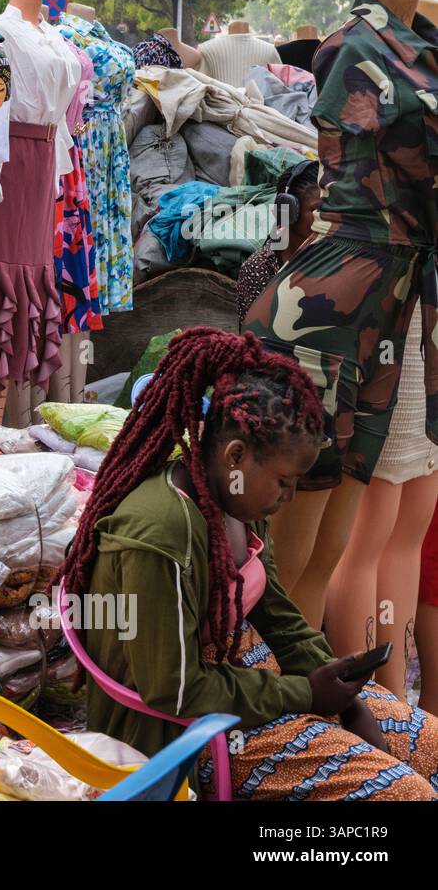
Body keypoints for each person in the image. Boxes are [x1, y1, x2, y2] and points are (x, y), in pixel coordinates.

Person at [57, 327, 438, 799]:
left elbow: (277, 615)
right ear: (236, 456)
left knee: (431, 750)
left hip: (250, 677)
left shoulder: (235, 501)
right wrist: (307, 695)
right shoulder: (159, 536)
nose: (290, 497)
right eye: (284, 482)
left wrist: (346, 692)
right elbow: (174, 689)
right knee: (402, 792)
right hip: (188, 730)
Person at [234, 159, 319, 326]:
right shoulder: (259, 268)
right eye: (316, 210)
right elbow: (254, 339)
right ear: (287, 211)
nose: (327, 217)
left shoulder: (338, 253)